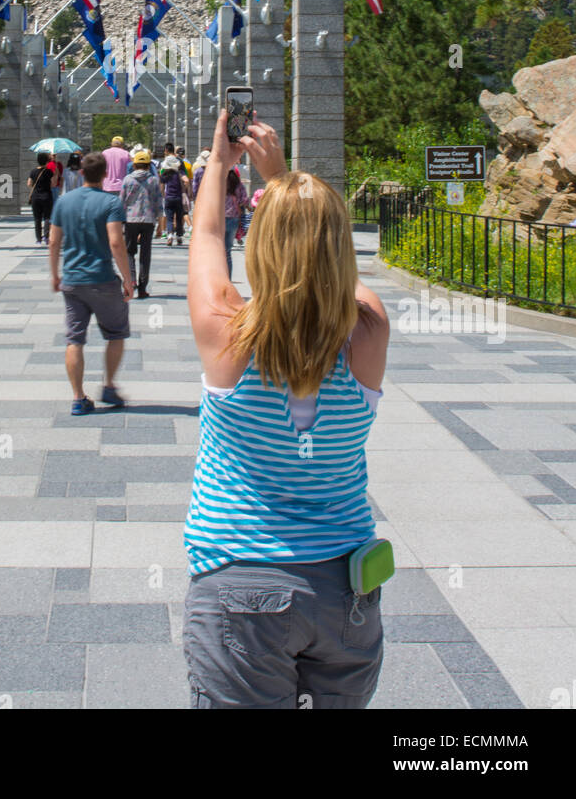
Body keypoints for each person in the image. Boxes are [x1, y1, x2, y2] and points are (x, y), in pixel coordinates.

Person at [183, 112, 389, 710]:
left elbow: (205, 240)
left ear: (262, 245)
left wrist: (221, 165)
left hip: (240, 581)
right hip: (345, 586)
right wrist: (281, 177)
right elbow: (329, 270)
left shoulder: (228, 334)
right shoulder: (367, 331)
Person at [49, 151, 134, 415]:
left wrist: (54, 274)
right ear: (106, 174)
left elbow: (53, 241)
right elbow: (116, 242)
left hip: (73, 280)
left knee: (75, 339)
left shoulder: (64, 202)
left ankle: (78, 397)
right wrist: (128, 280)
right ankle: (108, 385)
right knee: (117, 333)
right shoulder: (111, 202)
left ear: (82, 173)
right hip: (102, 279)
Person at [120, 149, 163, 298]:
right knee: (145, 254)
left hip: (131, 219)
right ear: (148, 165)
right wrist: (161, 223)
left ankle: (131, 280)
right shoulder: (153, 180)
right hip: (148, 220)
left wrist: (119, 220)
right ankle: (143, 287)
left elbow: (122, 201)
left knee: (129, 252)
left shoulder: (127, 180)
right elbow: (158, 201)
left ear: (134, 164)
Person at [224, 168, 250, 278]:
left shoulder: (218, 183)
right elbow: (244, 200)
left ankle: (219, 279)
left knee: (217, 250)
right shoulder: (238, 185)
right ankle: (228, 279)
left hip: (219, 219)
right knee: (227, 251)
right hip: (234, 219)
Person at [27, 151, 55, 245]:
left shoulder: (33, 171)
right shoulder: (49, 172)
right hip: (47, 196)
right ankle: (46, 237)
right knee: (47, 217)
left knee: (37, 218)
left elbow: (29, 184)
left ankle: (38, 239)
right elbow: (54, 184)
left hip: (36, 197)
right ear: (47, 161)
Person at [160, 153, 189, 247]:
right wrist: (185, 189)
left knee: (169, 218)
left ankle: (169, 236)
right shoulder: (179, 173)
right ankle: (179, 237)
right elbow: (187, 180)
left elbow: (161, 186)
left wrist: (163, 195)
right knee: (179, 218)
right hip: (178, 198)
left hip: (168, 198)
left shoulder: (164, 174)